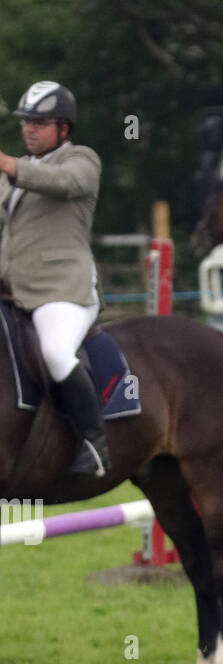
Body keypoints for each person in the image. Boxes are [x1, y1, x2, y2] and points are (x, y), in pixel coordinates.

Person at [0, 80, 108, 477]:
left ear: (63, 128)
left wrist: (10, 165)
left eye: (40, 122)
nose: (29, 129)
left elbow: (63, 185)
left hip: (61, 291)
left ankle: (95, 444)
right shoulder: (14, 176)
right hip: (12, 288)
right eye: (26, 122)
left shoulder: (82, 161)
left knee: (56, 353)